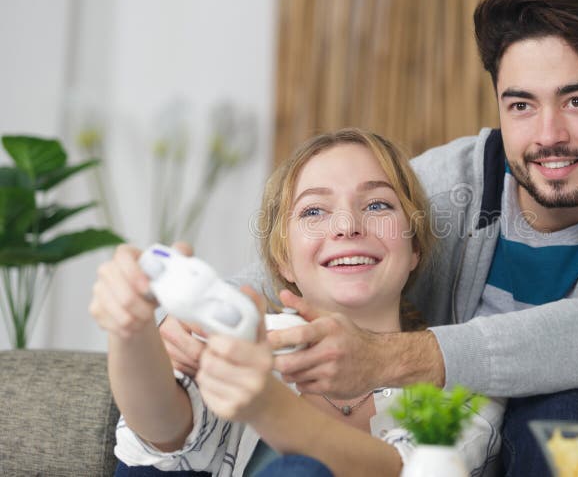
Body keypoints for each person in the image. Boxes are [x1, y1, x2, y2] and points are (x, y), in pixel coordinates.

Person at [161, 0, 578, 476]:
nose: (548, 135)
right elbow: (323, 248)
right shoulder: (450, 183)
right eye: (521, 104)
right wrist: (200, 315)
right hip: (439, 460)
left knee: (562, 400)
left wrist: (388, 358)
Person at [90, 129, 504, 476]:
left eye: (377, 204)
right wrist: (131, 329)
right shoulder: (245, 343)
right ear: (283, 259)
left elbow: (402, 471)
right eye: (313, 211)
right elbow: (162, 430)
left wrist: (264, 404)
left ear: (414, 247)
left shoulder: (461, 386)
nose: (346, 226)